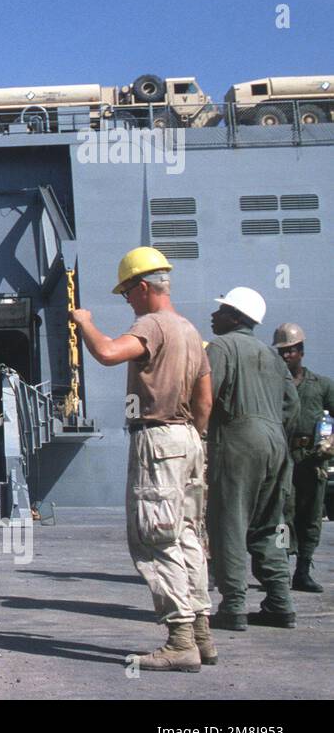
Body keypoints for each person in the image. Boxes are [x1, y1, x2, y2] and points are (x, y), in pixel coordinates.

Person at [70, 247, 214, 672]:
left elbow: (110, 354)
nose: (127, 301)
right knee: (187, 535)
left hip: (157, 437)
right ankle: (202, 633)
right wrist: (193, 438)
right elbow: (205, 399)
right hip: (190, 438)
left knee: (155, 536)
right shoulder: (190, 330)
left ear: (144, 287)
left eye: (127, 293)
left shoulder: (151, 324)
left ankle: (179, 640)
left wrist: (87, 325)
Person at [205, 288, 299, 631]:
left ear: (235, 317)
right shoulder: (273, 356)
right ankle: (280, 602)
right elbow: (293, 405)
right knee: (270, 524)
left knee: (228, 521)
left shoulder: (220, 347)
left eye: (221, 310)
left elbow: (205, 396)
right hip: (276, 441)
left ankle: (233, 606)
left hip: (238, 439)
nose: (213, 316)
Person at [272, 323, 334, 593]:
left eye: (291, 351)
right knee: (282, 516)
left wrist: (330, 444)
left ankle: (303, 570)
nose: (286, 357)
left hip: (312, 459)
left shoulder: (321, 385)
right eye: (282, 352)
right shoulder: (272, 386)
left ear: (301, 351)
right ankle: (281, 569)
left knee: (310, 515)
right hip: (282, 458)